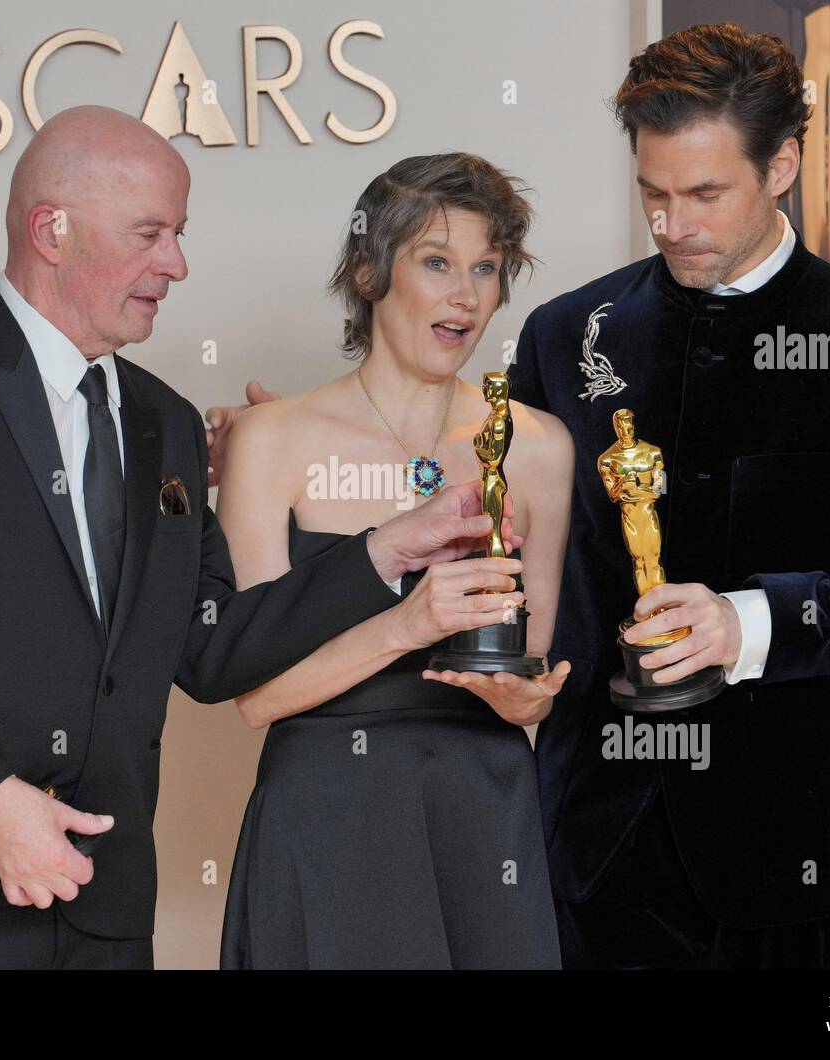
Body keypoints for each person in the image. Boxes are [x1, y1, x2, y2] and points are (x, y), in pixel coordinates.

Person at [0, 106, 521, 970]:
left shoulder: (161, 421)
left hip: (106, 904)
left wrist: (385, 551)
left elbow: (213, 651)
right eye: (151, 234)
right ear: (51, 229)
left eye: (178, 233)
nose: (176, 264)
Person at [507, 23, 830, 968]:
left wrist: (746, 623)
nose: (674, 224)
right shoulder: (563, 336)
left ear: (784, 163)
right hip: (591, 847)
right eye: (654, 195)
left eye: (705, 193)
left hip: (782, 852)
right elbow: (503, 536)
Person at [215, 153, 574, 968]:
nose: (467, 295)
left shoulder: (540, 446)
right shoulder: (273, 440)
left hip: (484, 805)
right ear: (369, 269)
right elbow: (257, 694)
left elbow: (531, 665)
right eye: (437, 263)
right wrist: (411, 624)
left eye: (486, 268)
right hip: (325, 809)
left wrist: (528, 706)